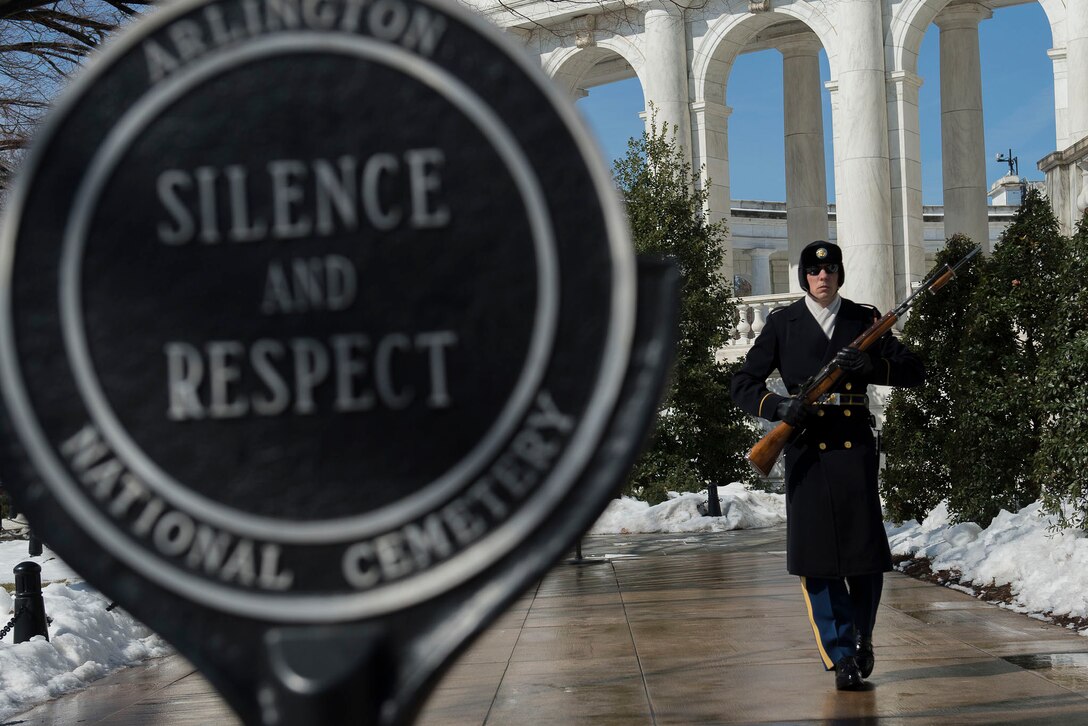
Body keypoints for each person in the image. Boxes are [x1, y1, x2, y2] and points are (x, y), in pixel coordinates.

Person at [730, 240, 925, 690]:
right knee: (817, 558)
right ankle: (841, 657)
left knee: (863, 554)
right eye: (815, 271)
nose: (824, 277)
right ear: (804, 277)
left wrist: (872, 364)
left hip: (853, 446)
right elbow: (741, 383)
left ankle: (863, 637)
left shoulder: (864, 319)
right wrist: (777, 407)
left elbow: (915, 371)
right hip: (804, 448)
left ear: (839, 274)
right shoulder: (783, 323)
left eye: (831, 269)